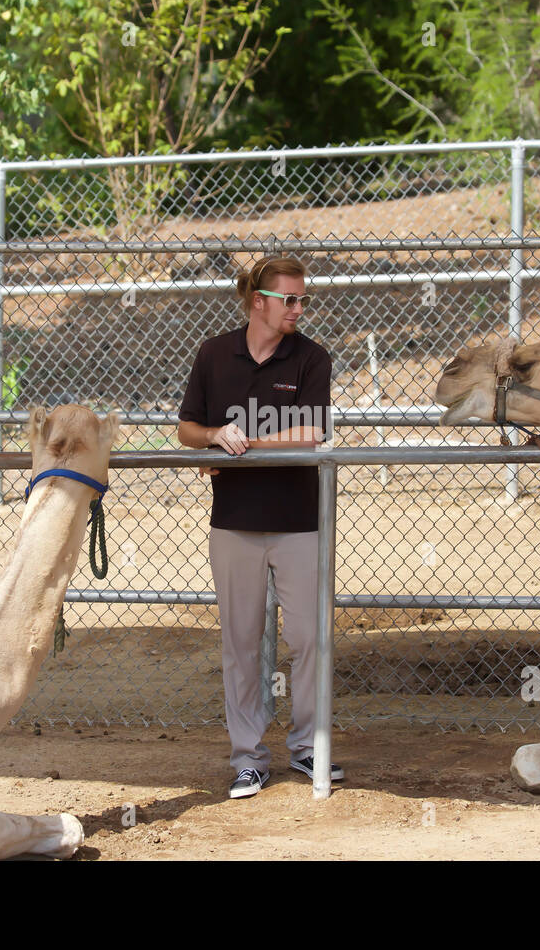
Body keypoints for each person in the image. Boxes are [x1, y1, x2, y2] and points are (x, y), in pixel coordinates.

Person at [177, 255, 345, 798]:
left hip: (299, 524)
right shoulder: (213, 354)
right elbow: (186, 428)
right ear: (259, 302)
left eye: (302, 299)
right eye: (289, 299)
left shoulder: (310, 358)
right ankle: (248, 757)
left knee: (310, 638)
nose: (299, 308)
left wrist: (242, 444)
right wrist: (212, 438)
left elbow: (312, 431)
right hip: (234, 524)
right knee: (241, 643)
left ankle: (308, 748)